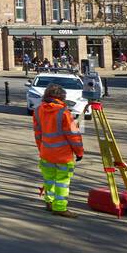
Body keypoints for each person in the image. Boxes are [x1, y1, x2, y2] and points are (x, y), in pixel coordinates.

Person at [34, 83, 84, 218]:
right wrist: (79, 152)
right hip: (63, 156)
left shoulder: (38, 110)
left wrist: (42, 149)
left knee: (49, 180)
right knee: (62, 182)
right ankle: (60, 207)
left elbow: (38, 134)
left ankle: (49, 202)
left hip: (46, 153)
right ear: (62, 97)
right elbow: (73, 135)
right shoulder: (64, 112)